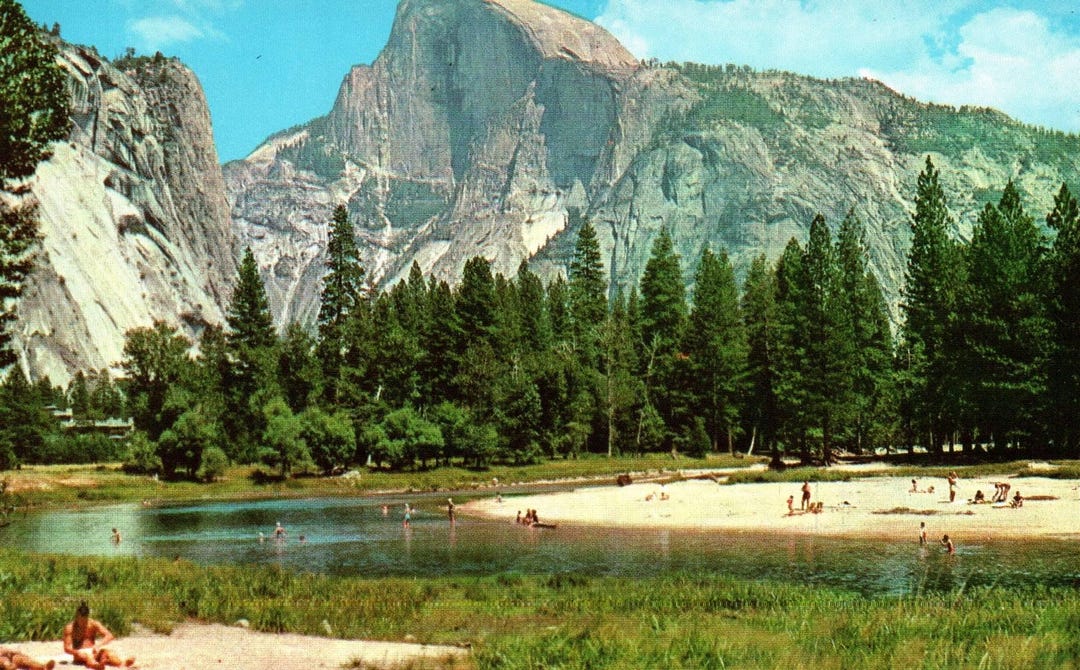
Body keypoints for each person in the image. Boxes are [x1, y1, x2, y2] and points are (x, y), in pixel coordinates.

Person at [63, 602, 134, 669]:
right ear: (77, 616)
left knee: (107, 652)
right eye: (80, 620)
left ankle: (122, 663)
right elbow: (67, 648)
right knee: (88, 657)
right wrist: (77, 652)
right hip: (79, 653)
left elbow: (109, 635)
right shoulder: (70, 627)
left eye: (84, 621)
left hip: (93, 650)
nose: (82, 623)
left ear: (87, 617)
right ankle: (96, 666)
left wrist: (98, 645)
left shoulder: (93, 624)